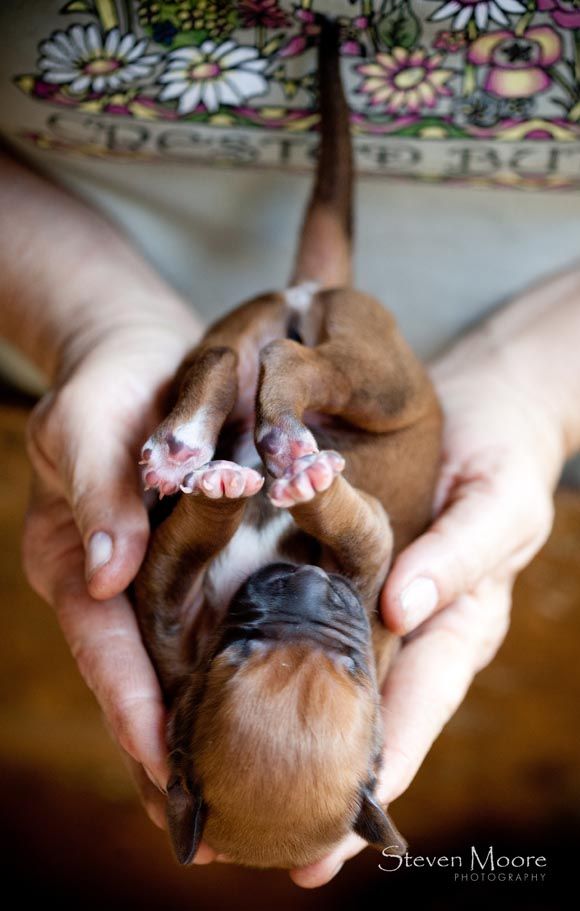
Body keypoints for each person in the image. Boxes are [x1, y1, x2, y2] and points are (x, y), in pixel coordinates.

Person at [1, 0, 580, 889]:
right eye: (347, 658)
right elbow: (367, 544)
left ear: (182, 743)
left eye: (243, 651)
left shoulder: (174, 654)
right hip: (387, 398)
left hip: (121, 334)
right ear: (375, 757)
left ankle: (216, 406)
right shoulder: (379, 636)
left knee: (209, 377)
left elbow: (165, 584)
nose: (307, 601)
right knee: (317, 374)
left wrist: (90, 323)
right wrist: (538, 389)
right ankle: (293, 379)